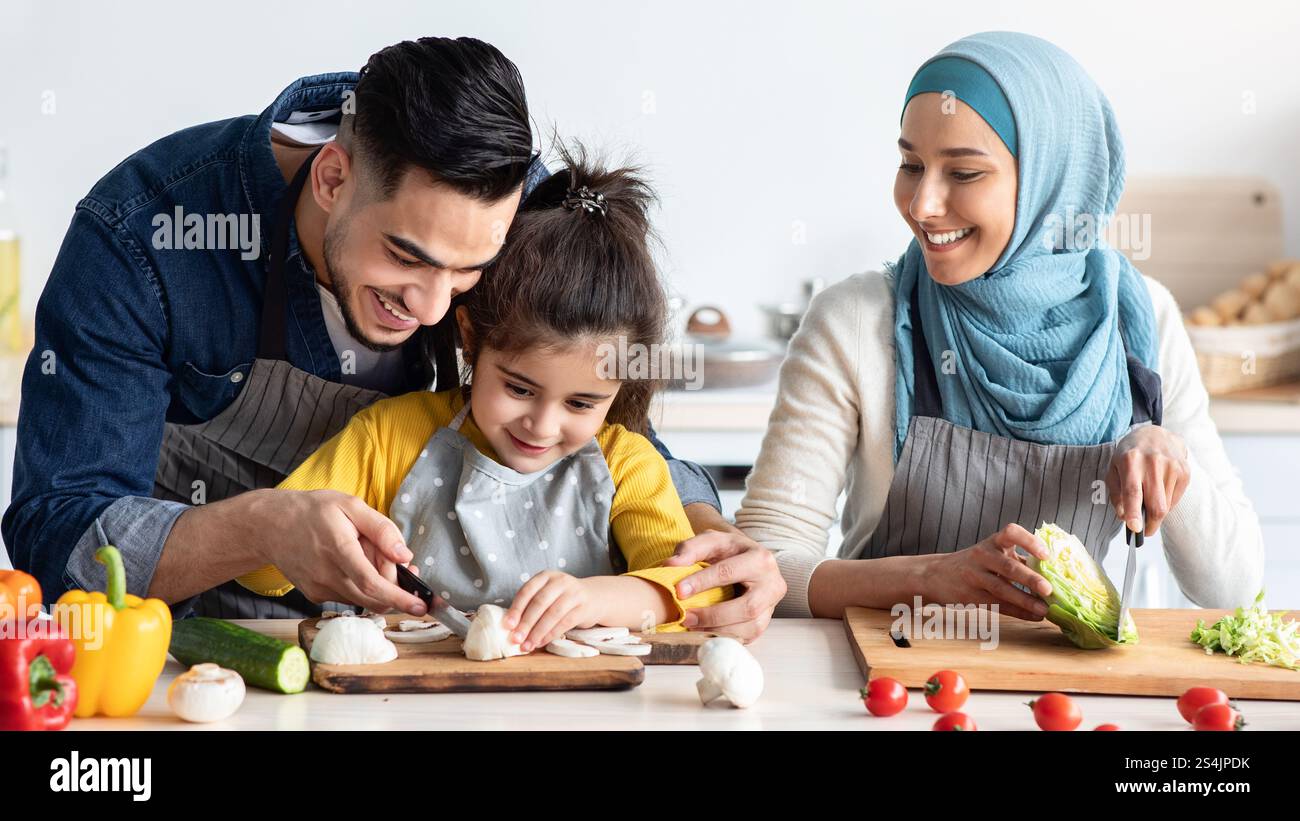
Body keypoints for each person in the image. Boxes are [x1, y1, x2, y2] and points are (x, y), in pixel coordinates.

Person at [4, 37, 730, 621]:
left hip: (413, 646)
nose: (435, 310)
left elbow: (611, 426)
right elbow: (58, 536)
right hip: (196, 645)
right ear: (332, 178)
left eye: (470, 271)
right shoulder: (146, 233)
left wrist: (711, 545)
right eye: (406, 258)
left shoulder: (519, 213)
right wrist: (263, 527)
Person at [733, 31, 1265, 619]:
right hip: (885, 670)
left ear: (1050, 180)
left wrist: (1170, 454)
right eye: (911, 165)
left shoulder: (1141, 317)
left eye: (963, 173)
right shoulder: (857, 320)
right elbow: (758, 569)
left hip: (1066, 677)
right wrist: (923, 578)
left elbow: (1232, 590)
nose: (922, 204)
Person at [237, 150, 734, 650]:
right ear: (471, 338)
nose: (542, 426)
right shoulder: (389, 436)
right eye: (519, 389)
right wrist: (311, 541)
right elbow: (259, 570)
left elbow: (705, 592)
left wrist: (597, 599)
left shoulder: (627, 465)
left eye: (581, 404)